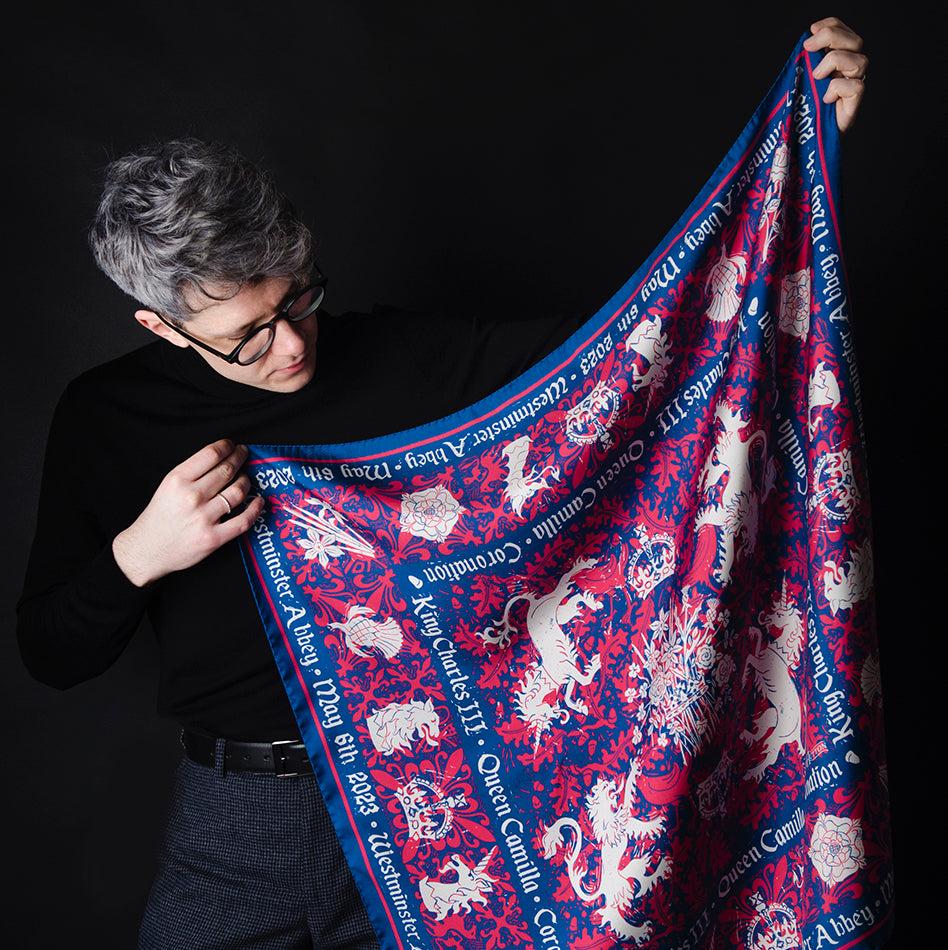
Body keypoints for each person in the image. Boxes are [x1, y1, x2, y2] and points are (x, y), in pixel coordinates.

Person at [15, 17, 867, 949]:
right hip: (232, 825)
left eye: (300, 295)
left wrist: (805, 158)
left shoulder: (403, 359)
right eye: (250, 336)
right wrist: (141, 553)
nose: (295, 343)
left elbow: (654, 334)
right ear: (162, 327)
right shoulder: (106, 419)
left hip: (432, 817)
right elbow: (50, 653)